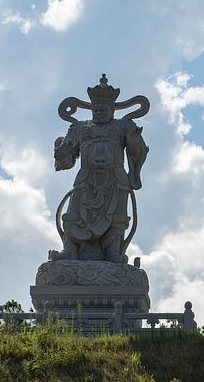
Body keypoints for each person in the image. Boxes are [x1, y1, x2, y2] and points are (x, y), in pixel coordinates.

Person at [53, 75, 149, 263]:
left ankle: (113, 252)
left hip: (115, 178)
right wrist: (61, 150)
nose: (99, 112)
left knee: (117, 217)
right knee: (74, 213)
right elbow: (67, 160)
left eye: (103, 109)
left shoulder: (123, 125)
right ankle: (70, 249)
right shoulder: (80, 128)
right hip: (86, 177)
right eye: (96, 109)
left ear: (112, 109)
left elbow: (138, 151)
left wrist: (135, 141)